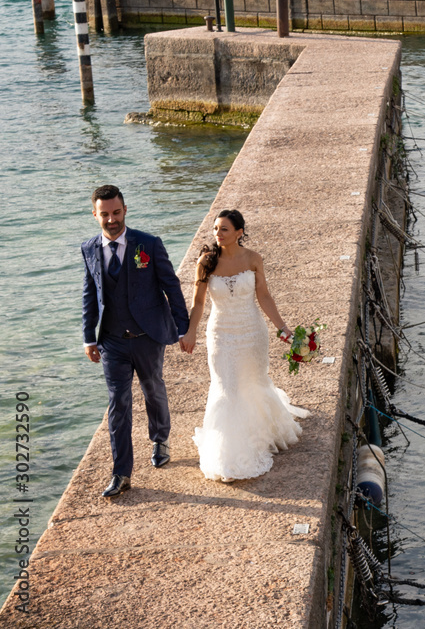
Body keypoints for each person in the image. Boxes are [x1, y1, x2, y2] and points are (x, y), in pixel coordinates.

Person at [180, 209, 309, 481]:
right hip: (221, 334)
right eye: (215, 228)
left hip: (252, 332)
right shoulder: (206, 262)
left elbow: (264, 296)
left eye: (224, 229)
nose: (218, 233)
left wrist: (284, 330)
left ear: (239, 232)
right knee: (227, 390)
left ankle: (260, 433)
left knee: (252, 383)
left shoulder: (253, 259)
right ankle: (227, 455)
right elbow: (199, 303)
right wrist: (191, 332)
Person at [82, 185, 189, 498]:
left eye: (116, 212)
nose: (111, 219)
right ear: (95, 215)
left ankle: (160, 439)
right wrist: (88, 337)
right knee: (118, 403)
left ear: (125, 210)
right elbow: (90, 294)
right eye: (105, 214)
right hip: (111, 342)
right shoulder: (89, 249)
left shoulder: (149, 244)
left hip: (147, 337)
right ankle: (121, 473)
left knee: (152, 389)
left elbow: (171, 285)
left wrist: (183, 328)